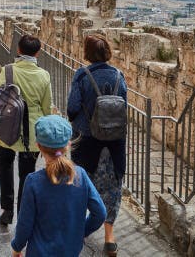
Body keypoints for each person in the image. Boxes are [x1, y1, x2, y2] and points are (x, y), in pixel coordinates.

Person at [67, 33, 128, 257]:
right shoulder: (119, 76)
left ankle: (78, 229)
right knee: (112, 188)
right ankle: (109, 237)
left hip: (87, 142)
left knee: (82, 184)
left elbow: (72, 108)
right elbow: (124, 108)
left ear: (88, 52)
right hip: (113, 144)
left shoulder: (82, 76)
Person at [11, 115, 106, 257]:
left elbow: (25, 224)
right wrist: (80, 232)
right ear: (68, 145)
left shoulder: (33, 182)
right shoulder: (80, 176)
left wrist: (17, 248)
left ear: (38, 146)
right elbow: (100, 213)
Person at [0, 34, 52, 225]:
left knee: (5, 166)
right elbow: (47, 106)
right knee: (27, 173)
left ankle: (7, 210)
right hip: (31, 134)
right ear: (38, 52)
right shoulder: (43, 75)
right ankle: (22, 212)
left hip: (7, 129)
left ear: (18, 50)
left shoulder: (7, 71)